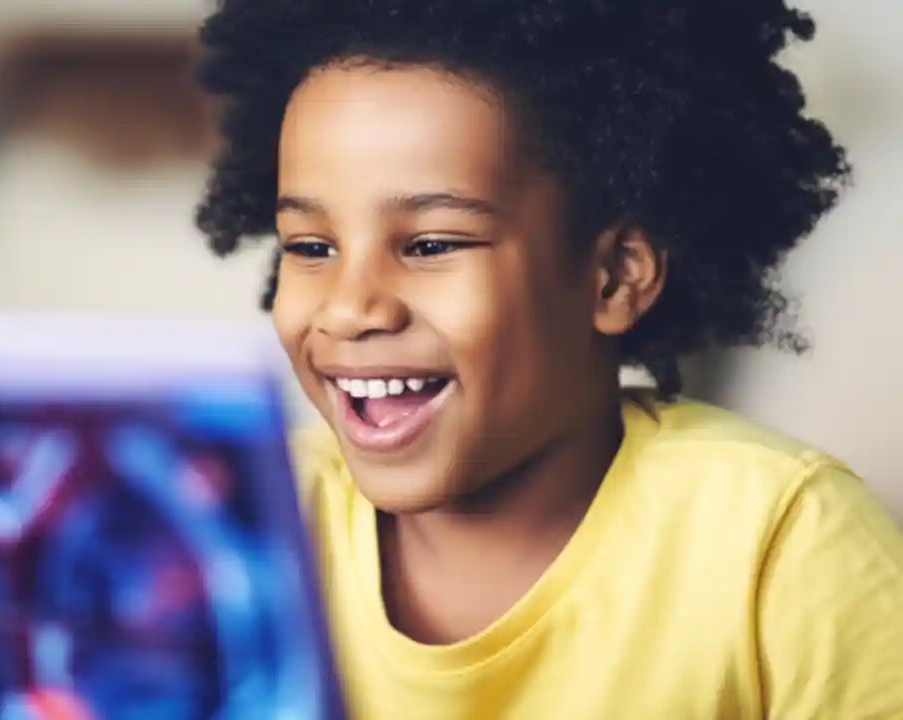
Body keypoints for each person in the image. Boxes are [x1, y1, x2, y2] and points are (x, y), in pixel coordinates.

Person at [192, 1, 903, 718]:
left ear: (615, 277)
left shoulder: (783, 542)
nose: (350, 309)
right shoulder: (230, 531)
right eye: (311, 249)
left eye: (433, 245)